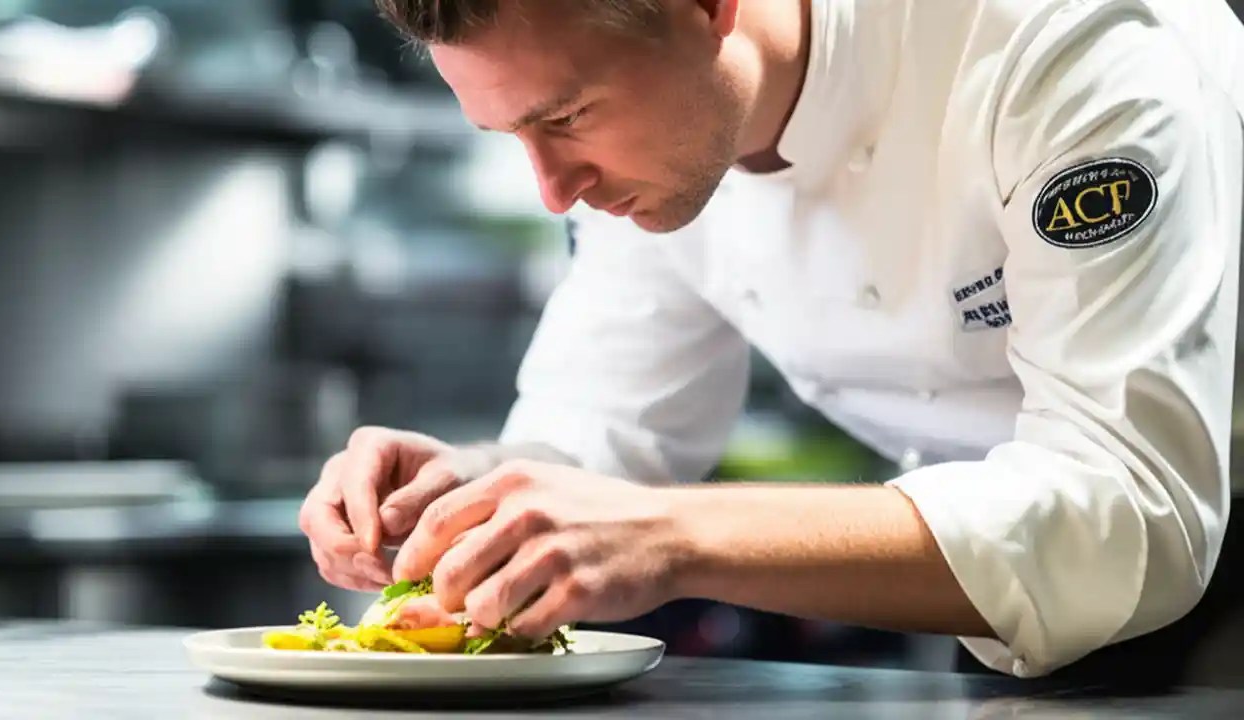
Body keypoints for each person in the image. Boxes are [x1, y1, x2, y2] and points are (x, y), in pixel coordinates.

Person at [299, 0, 1244, 680]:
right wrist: (472, 495)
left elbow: (1133, 512)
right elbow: (600, 431)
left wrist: (669, 537)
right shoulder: (654, 160)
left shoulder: (1068, 44)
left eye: (567, 116)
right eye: (510, 133)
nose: (553, 189)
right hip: (1006, 587)